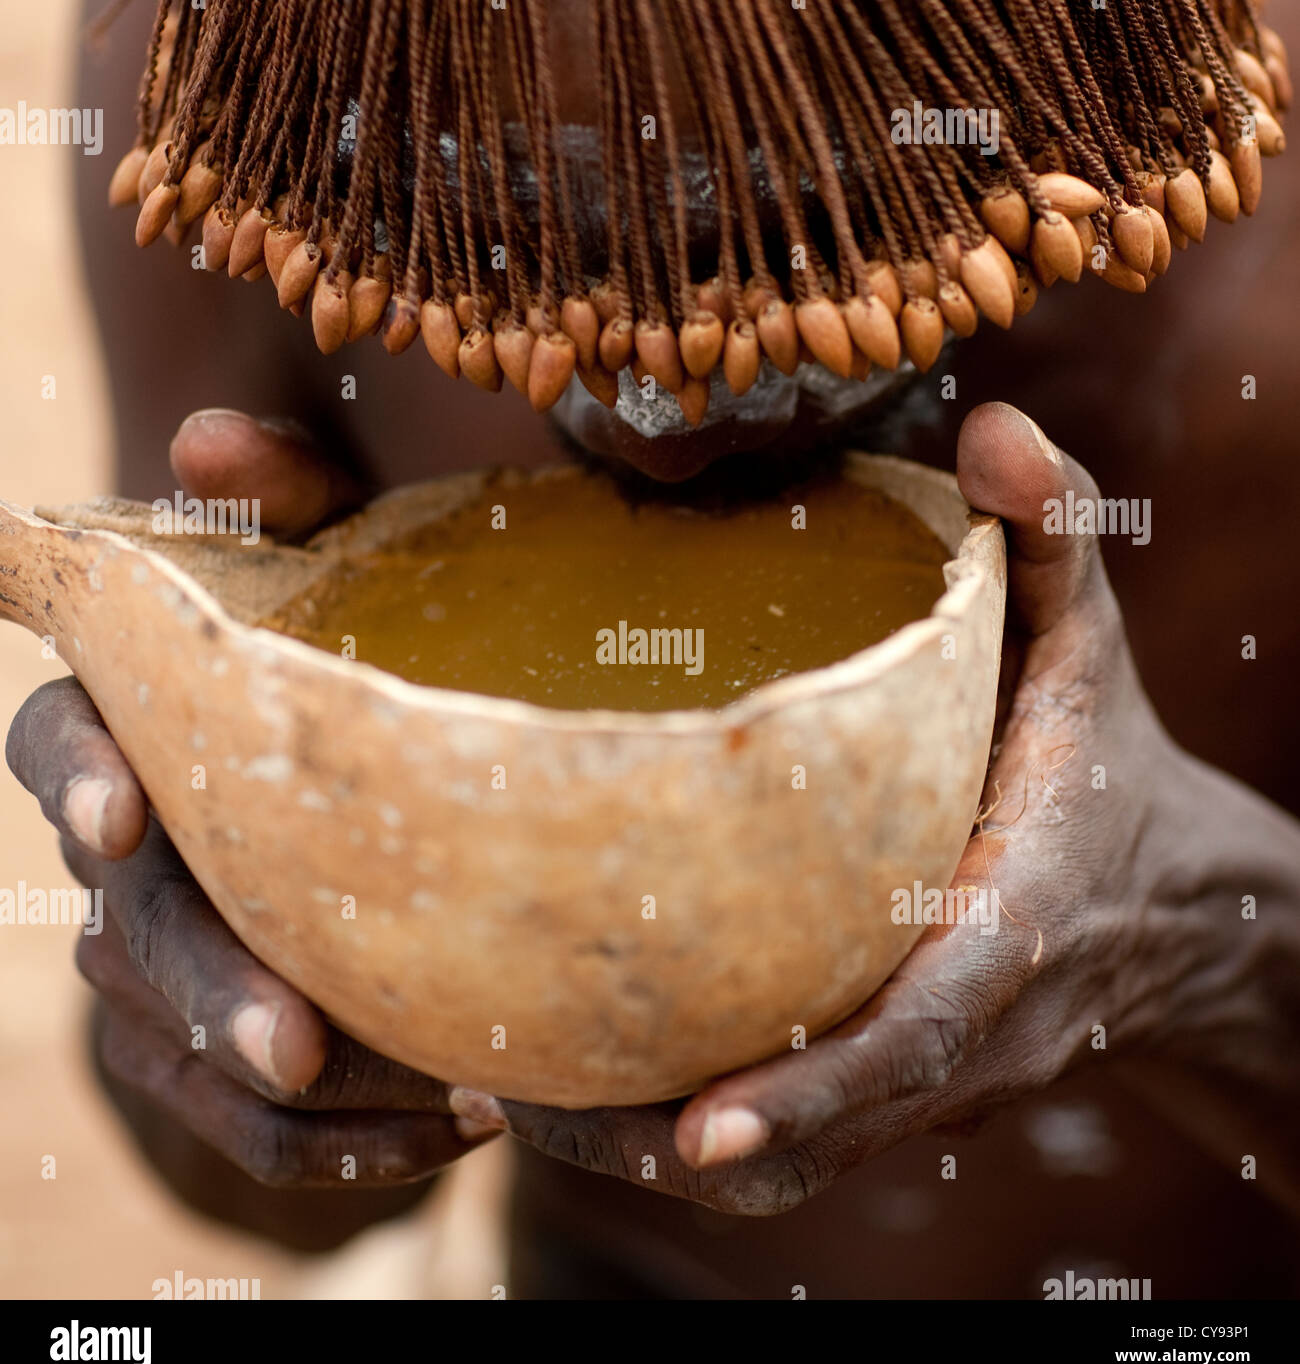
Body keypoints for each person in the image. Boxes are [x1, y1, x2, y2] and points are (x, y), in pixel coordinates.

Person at [6, 0, 1300, 1296]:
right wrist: (257, 1008)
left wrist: (1217, 938)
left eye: (800, 232)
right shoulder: (269, 122)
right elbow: (252, 1194)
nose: (661, 423)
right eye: (508, 239)